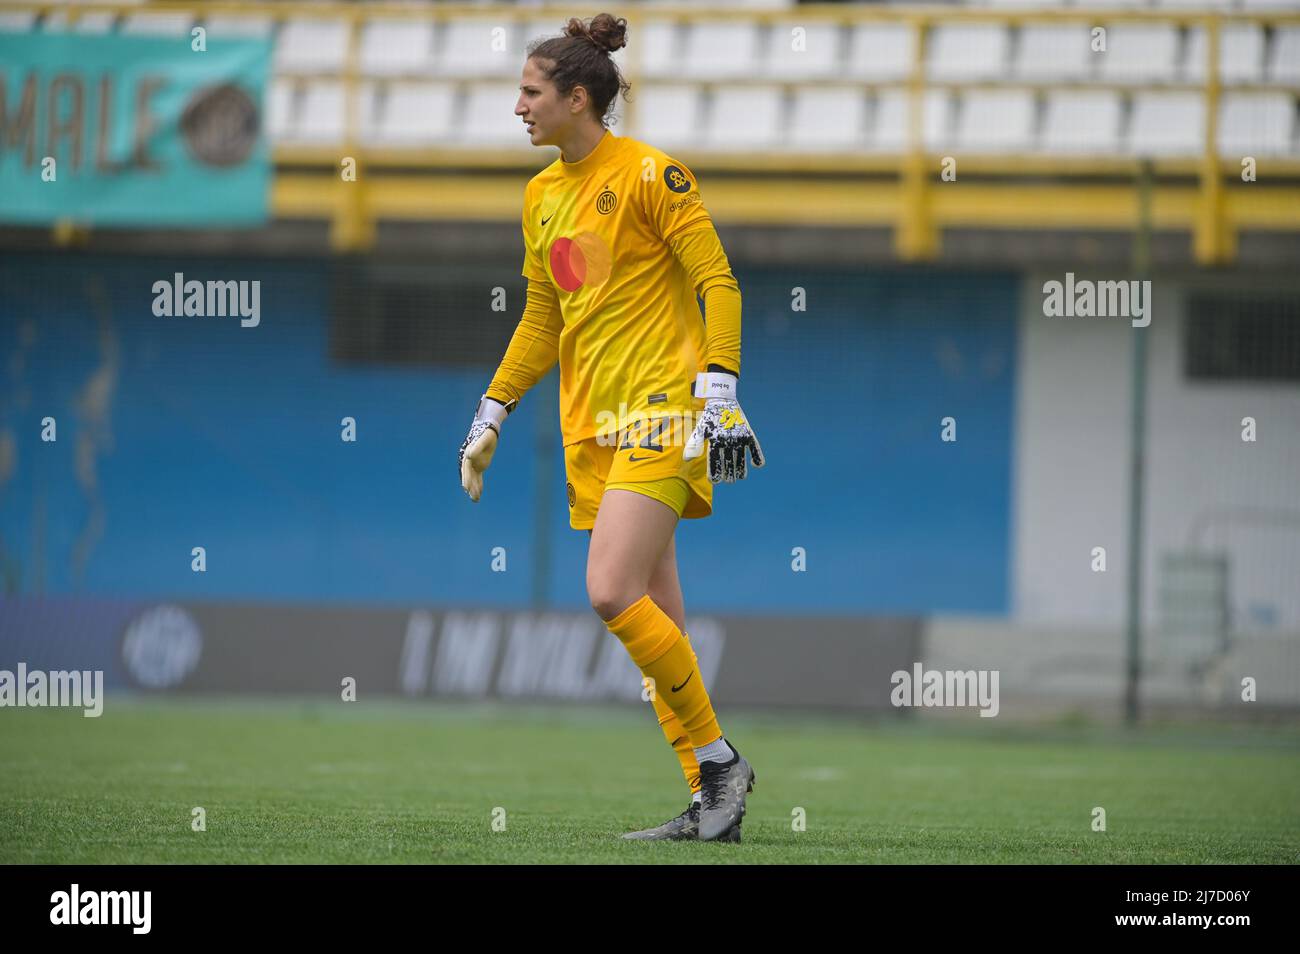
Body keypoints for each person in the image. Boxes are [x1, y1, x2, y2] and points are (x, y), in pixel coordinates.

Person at [458, 13, 764, 842]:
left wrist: (720, 389)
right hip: (589, 428)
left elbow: (719, 282)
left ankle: (725, 765)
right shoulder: (541, 195)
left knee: (607, 590)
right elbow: (541, 319)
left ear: (578, 98)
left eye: (530, 92)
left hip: (664, 413)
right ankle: (712, 799)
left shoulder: (650, 175)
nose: (518, 107)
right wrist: (493, 411)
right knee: (658, 616)